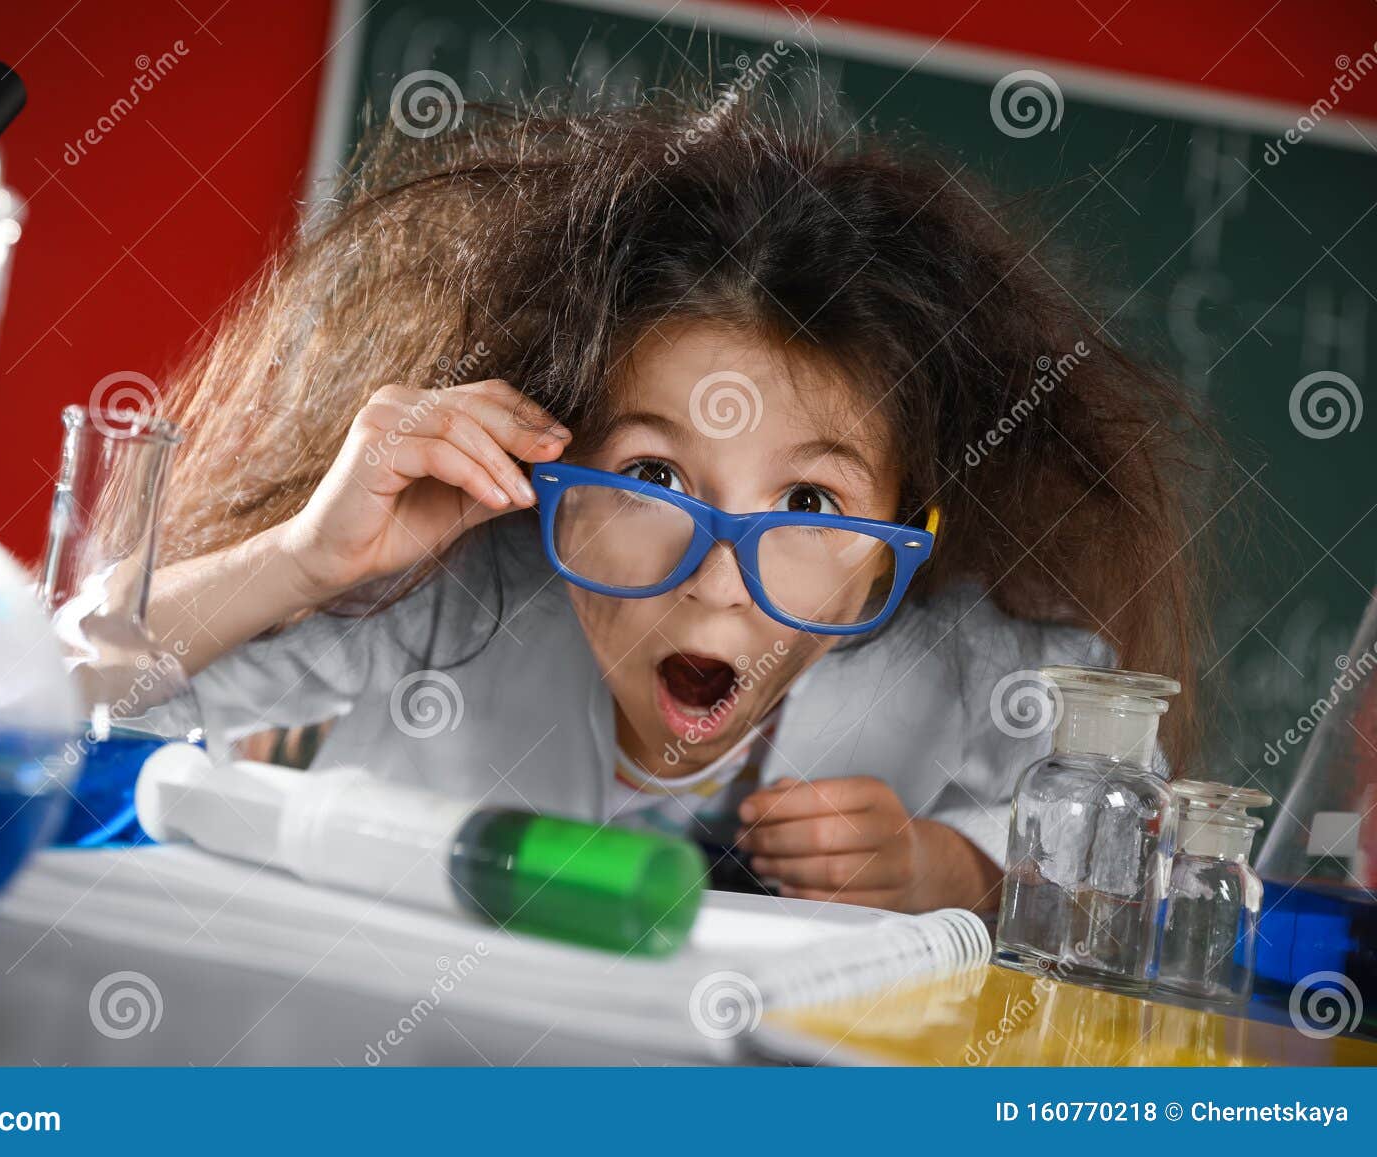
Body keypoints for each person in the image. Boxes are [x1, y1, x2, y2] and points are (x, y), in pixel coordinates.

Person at [145, 93, 1211, 916]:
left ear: (892, 549)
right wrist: (299, 556)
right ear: (557, 479)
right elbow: (54, 700)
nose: (714, 577)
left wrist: (953, 863)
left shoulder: (964, 670)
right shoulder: (454, 594)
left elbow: (1156, 850)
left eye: (807, 497)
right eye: (655, 476)